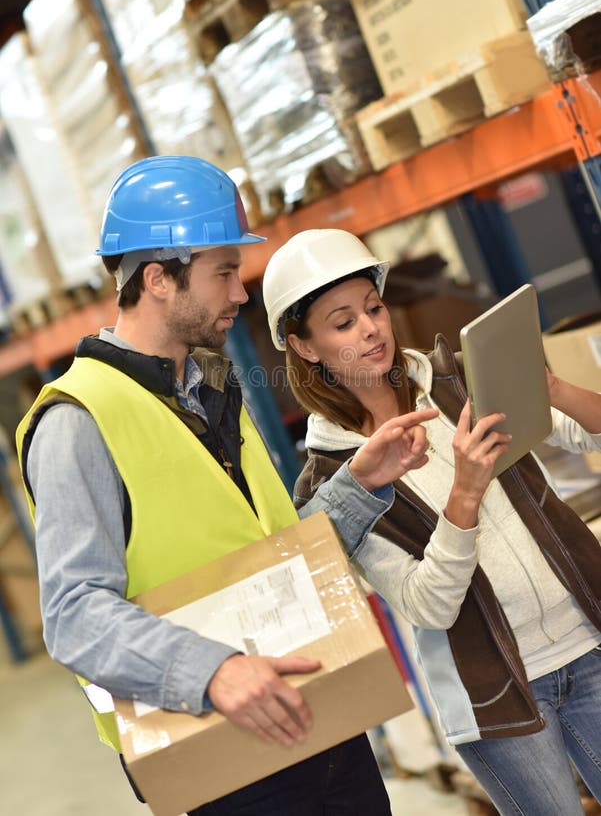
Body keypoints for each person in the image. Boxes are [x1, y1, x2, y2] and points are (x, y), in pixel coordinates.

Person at [15, 157, 436, 816]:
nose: (240, 293)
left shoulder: (214, 388)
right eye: (222, 272)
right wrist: (210, 670)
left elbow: (267, 557)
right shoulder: (77, 422)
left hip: (313, 715)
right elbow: (73, 617)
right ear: (158, 279)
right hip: (219, 750)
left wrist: (359, 483)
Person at [262, 227, 601, 816]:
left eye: (373, 309)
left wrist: (548, 385)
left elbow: (591, 433)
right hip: (494, 697)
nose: (370, 329)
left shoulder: (461, 381)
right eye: (343, 323)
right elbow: (428, 606)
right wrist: (466, 490)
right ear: (304, 346)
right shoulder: (332, 485)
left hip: (588, 641)